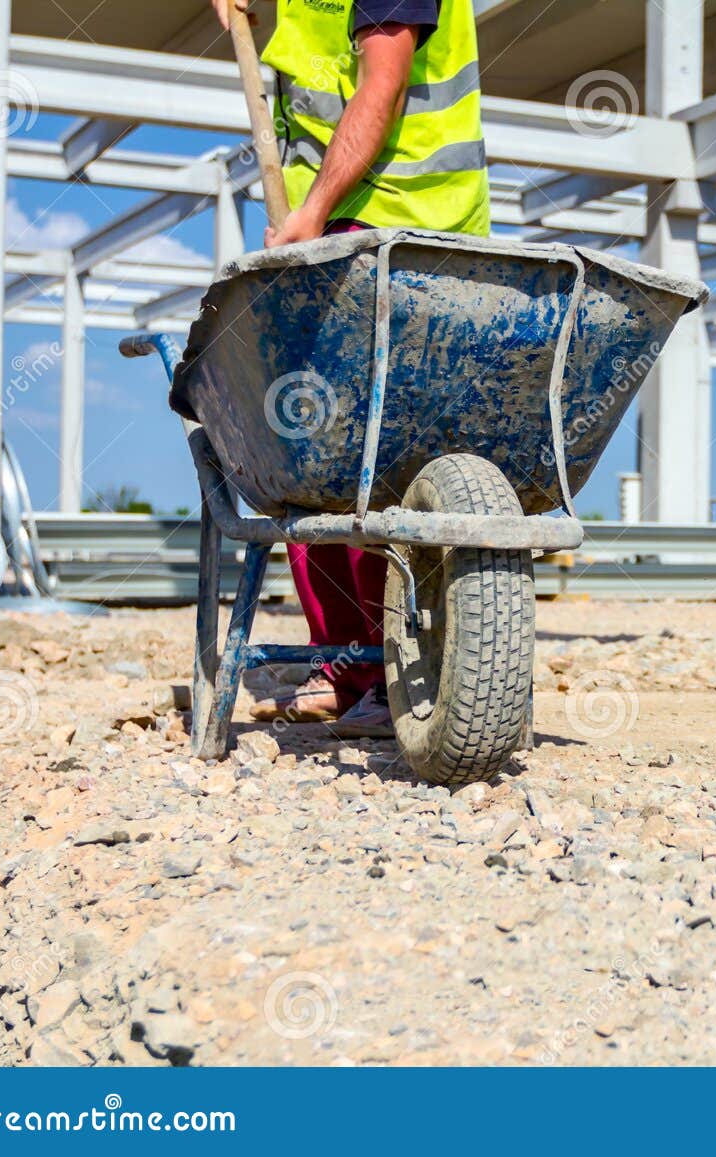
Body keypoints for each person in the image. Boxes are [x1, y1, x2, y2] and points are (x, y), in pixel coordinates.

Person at [213, 0, 491, 735]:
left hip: (400, 235)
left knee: (360, 463)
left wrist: (313, 209)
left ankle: (378, 669)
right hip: (342, 229)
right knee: (315, 450)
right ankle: (352, 665)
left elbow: (384, 83)